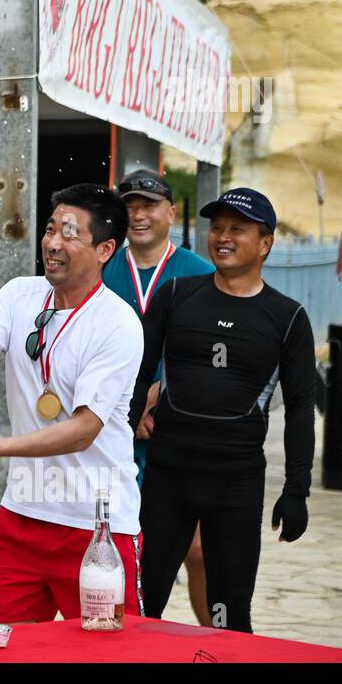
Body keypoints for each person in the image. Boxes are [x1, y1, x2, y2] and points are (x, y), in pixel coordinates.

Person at [0, 183, 144, 627]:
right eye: (49, 229)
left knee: (108, 657)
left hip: (97, 525)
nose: (53, 243)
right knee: (0, 648)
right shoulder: (20, 294)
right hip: (22, 515)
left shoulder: (118, 323)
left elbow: (84, 430)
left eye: (69, 233)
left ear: (105, 249)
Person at [129, 188, 316, 634]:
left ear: (265, 243)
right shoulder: (176, 295)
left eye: (237, 229)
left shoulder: (287, 317)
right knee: (140, 605)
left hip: (236, 484)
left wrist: (297, 490)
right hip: (167, 476)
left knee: (229, 614)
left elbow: (302, 409)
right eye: (216, 228)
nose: (222, 237)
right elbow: (137, 374)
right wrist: (128, 423)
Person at [102, 168, 214, 626]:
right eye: (129, 205)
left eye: (149, 205)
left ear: (170, 212)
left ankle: (219, 647)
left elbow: (214, 349)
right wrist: (128, 404)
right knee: (123, 550)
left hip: (183, 429)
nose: (139, 214)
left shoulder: (200, 271)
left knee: (199, 551)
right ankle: (129, 645)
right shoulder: (102, 267)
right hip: (114, 431)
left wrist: (156, 395)